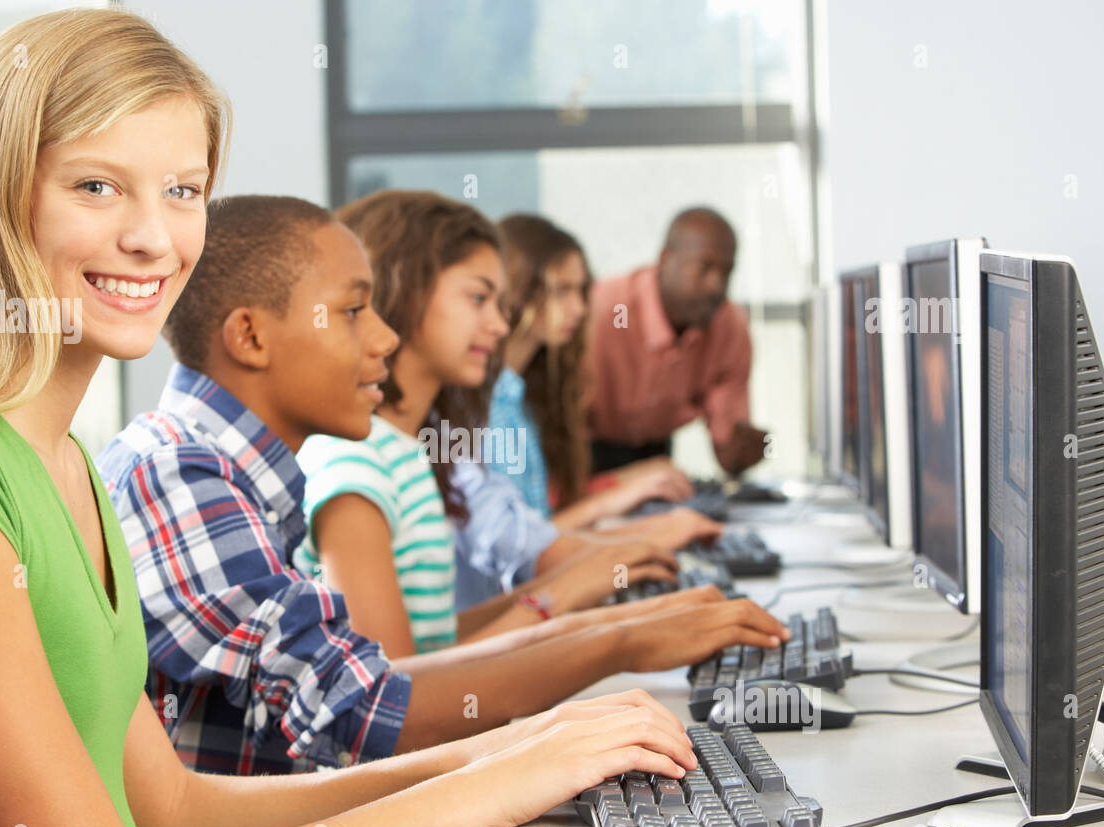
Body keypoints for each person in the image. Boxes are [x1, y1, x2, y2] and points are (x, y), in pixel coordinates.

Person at [0, 10, 702, 827]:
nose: (153, 238)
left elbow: (171, 810)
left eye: (182, 191)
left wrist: (510, 750)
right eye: (95, 187)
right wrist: (483, 789)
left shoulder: (66, 464)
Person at [98, 194, 790, 777]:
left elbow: (382, 667)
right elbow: (367, 709)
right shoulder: (184, 476)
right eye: (351, 312)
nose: (384, 339)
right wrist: (615, 643)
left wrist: (619, 623)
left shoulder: (247, 480)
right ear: (250, 336)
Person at [295, 190, 787, 664]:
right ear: (407, 295)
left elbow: (437, 641)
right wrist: (591, 621)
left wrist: (614, 614)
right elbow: (393, 702)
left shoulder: (414, 449)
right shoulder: (356, 459)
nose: (500, 324)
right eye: (478, 299)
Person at [489, 213, 706, 530]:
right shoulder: (490, 405)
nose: (579, 308)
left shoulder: (521, 394)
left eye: (580, 291)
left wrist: (625, 480)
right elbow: (522, 544)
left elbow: (546, 508)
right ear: (518, 289)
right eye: (561, 291)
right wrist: (614, 502)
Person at [586, 206, 770, 477]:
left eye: (727, 272)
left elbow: (728, 451)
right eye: (704, 268)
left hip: (655, 454)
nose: (716, 286)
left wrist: (748, 450)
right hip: (582, 450)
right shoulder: (613, 310)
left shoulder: (729, 327)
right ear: (664, 259)